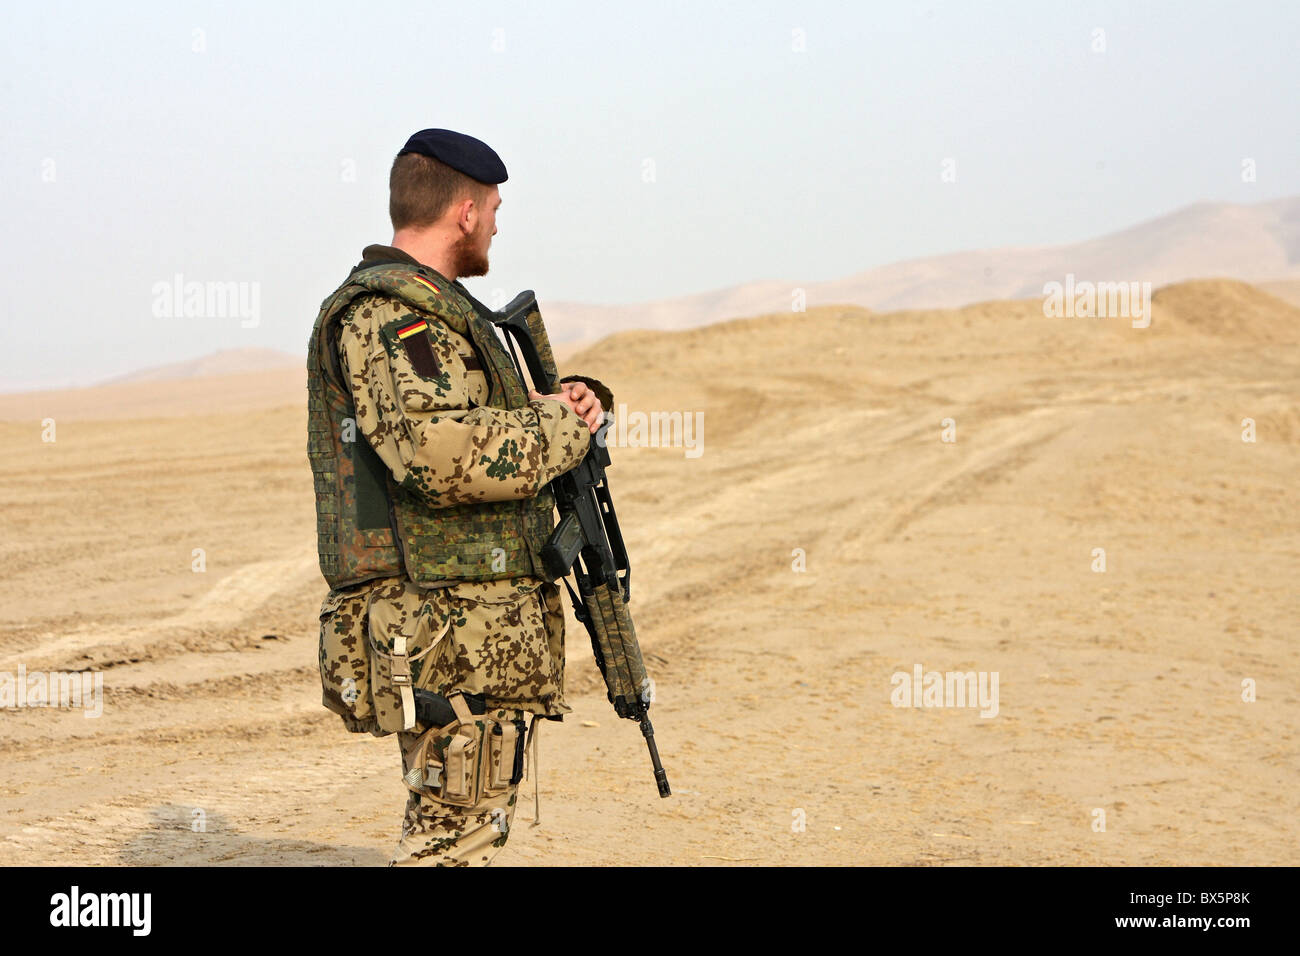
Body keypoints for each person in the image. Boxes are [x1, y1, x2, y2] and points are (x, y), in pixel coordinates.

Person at [306, 128, 608, 866]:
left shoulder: (439, 314)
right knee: (454, 840)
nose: (499, 224)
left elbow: (475, 422)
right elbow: (444, 456)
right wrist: (562, 427)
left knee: (468, 826)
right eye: (496, 208)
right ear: (466, 212)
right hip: (444, 631)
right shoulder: (392, 319)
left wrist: (564, 401)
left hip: (471, 627)